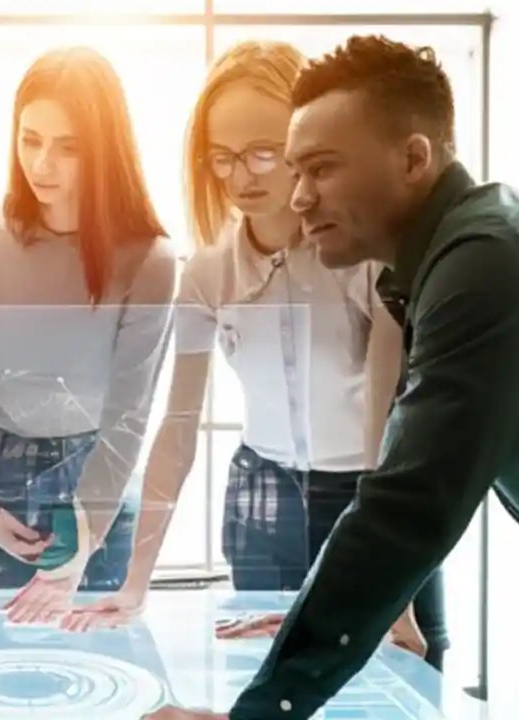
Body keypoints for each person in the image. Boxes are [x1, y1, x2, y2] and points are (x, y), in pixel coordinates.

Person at [143, 34, 519, 720]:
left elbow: (410, 503)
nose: (298, 197)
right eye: (294, 170)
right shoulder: (441, 264)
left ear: (415, 159)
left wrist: (259, 713)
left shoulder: (489, 264)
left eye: (320, 169)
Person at [65, 40, 446, 669]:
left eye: (265, 153)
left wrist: (394, 587)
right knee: (269, 680)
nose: (243, 177)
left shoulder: (366, 256)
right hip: (262, 499)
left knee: (400, 678)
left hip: (374, 490)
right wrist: (137, 583)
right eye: (223, 159)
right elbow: (178, 429)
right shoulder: (208, 275)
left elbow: (389, 415)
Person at [0, 46, 176, 607]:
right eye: (30, 140)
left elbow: (130, 414)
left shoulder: (150, 258)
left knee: (99, 670)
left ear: (104, 151)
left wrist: (83, 532)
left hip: (95, 479)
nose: (42, 164)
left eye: (68, 147)